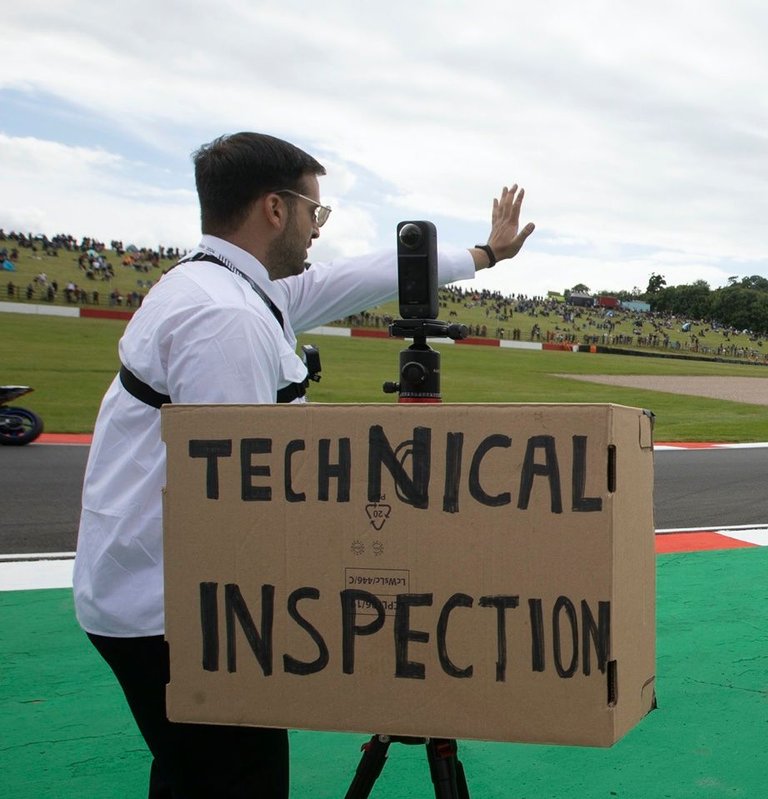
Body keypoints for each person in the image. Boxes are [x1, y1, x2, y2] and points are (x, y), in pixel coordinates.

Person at [72, 131, 535, 798]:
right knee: (235, 780)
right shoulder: (221, 316)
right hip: (172, 607)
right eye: (315, 212)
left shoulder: (230, 286)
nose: (318, 229)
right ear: (274, 208)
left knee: (197, 772)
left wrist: (484, 254)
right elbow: (237, 500)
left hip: (150, 585)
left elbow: (354, 278)